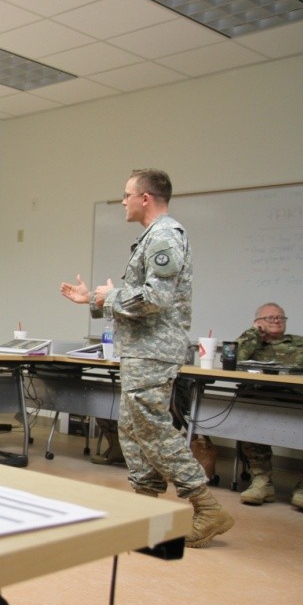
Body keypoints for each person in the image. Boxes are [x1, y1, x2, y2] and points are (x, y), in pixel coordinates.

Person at [59, 168, 233, 548]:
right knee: (134, 430)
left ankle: (206, 506)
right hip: (140, 350)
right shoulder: (150, 238)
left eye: (126, 195)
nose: (122, 201)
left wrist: (108, 296)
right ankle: (144, 508)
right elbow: (136, 297)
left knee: (151, 428)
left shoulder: (165, 237)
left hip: (153, 351)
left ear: (146, 198)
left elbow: (155, 299)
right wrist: (93, 298)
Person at [234, 302, 303, 511]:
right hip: (264, 397)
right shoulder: (252, 344)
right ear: (258, 323)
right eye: (270, 318)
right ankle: (261, 481)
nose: (277, 321)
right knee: (246, 412)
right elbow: (233, 358)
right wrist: (252, 334)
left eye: (280, 318)